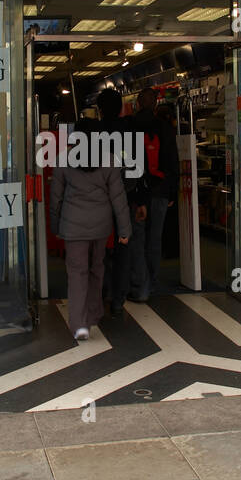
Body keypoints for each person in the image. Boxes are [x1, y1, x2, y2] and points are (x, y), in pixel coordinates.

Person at [49, 117, 131, 341]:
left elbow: (55, 199)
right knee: (97, 268)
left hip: (73, 227)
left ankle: (79, 325)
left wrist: (55, 226)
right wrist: (124, 230)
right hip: (100, 226)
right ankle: (94, 314)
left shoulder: (63, 160)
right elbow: (118, 200)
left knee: (77, 273)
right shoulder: (108, 161)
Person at [127, 87, 179, 301]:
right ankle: (153, 282)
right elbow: (173, 162)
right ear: (156, 104)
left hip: (135, 190)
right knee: (154, 239)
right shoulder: (165, 129)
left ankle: (140, 284)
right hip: (159, 191)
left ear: (137, 104)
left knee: (137, 238)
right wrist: (172, 191)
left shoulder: (129, 126)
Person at [97, 88, 135, 316]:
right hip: (124, 198)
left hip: (99, 201)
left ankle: (104, 290)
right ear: (121, 107)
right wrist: (137, 200)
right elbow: (135, 169)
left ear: (100, 110)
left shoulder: (94, 133)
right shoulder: (129, 131)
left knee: (100, 248)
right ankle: (119, 298)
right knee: (123, 247)